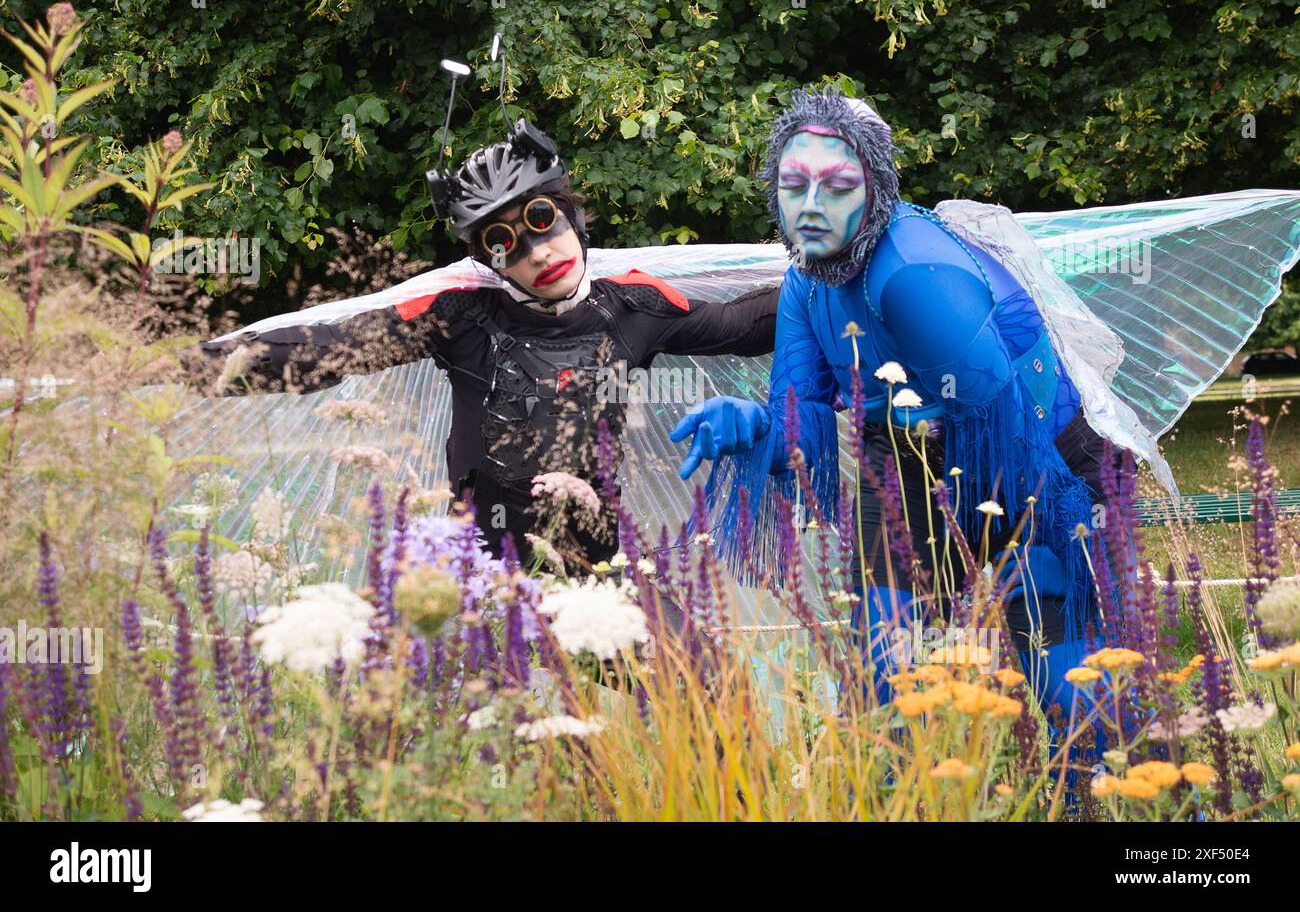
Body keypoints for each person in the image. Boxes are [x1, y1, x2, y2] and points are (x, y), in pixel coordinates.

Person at [670, 87, 1119, 728]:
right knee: (885, 680)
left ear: (875, 187)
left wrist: (1043, 545)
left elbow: (1009, 431)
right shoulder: (806, 279)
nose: (811, 207)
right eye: (792, 186)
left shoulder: (913, 271)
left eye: (837, 185)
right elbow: (805, 432)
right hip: (905, 463)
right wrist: (753, 427)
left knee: (1067, 682)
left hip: (1037, 460)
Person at [195, 115, 779, 576]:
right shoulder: (460, 315)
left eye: (542, 218)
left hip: (597, 555)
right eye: (507, 244)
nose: (538, 252)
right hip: (481, 565)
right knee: (481, 723)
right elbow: (330, 347)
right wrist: (171, 366)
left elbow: (741, 326)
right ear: (487, 260)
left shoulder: (633, 305)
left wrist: (837, 282)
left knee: (695, 686)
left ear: (574, 217)